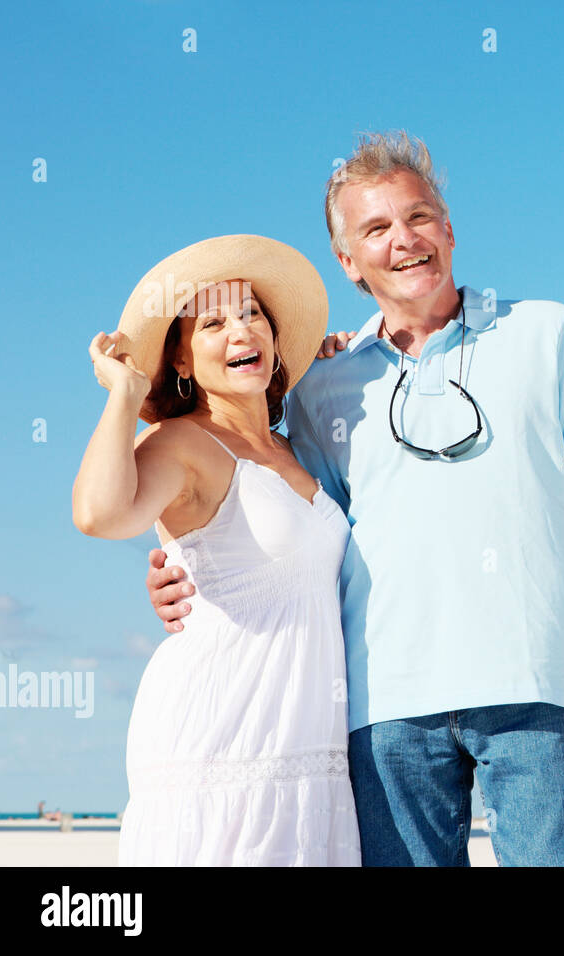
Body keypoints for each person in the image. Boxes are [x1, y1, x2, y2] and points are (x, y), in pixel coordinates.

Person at [145, 131, 564, 867]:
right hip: (382, 706)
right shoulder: (323, 383)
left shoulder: (547, 331)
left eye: (420, 216)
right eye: (376, 229)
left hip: (534, 686)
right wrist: (178, 562)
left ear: (449, 227)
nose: (405, 240)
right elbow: (269, 505)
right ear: (348, 262)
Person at [75, 235, 360, 865]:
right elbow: (99, 514)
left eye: (253, 314)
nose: (242, 331)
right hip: (220, 738)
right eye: (213, 322)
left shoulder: (299, 449)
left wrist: (340, 365)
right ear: (180, 359)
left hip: (310, 749)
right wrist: (124, 395)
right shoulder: (180, 443)